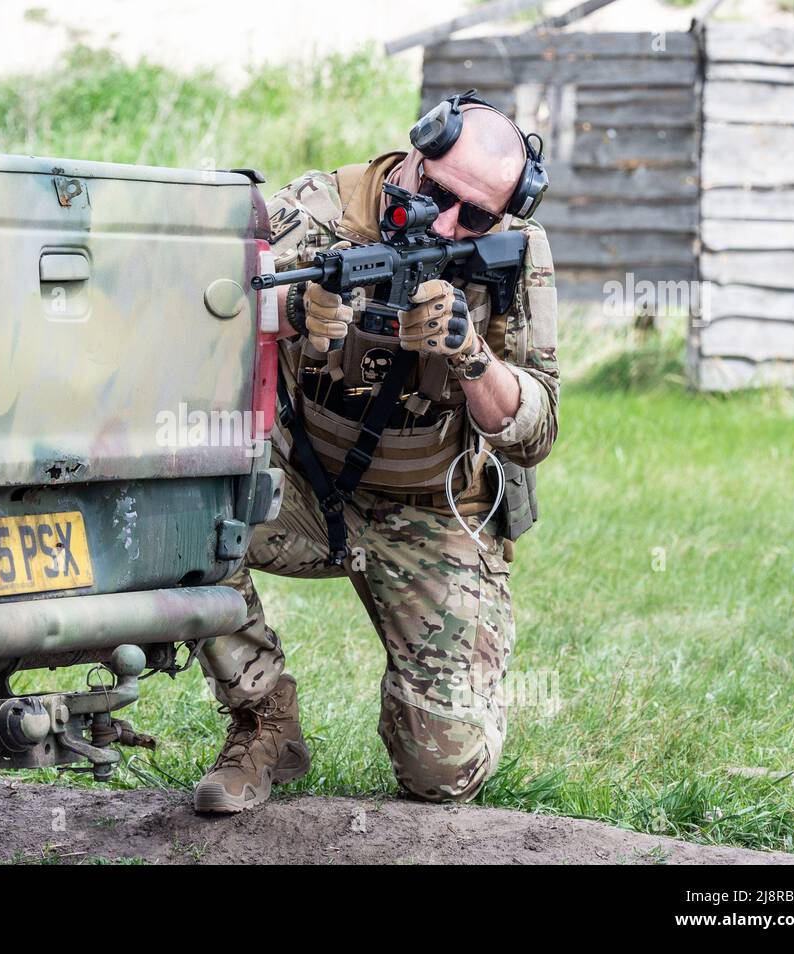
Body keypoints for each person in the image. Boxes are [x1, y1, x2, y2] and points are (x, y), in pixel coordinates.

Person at [193, 93, 560, 812]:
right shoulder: (314, 211)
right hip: (303, 495)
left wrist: (472, 357)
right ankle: (264, 722)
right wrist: (290, 316)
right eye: (436, 194)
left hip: (434, 514)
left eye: (477, 217)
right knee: (189, 515)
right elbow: (204, 320)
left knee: (441, 768)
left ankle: (416, 705)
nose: (448, 224)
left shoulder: (518, 254)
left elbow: (537, 428)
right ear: (415, 154)